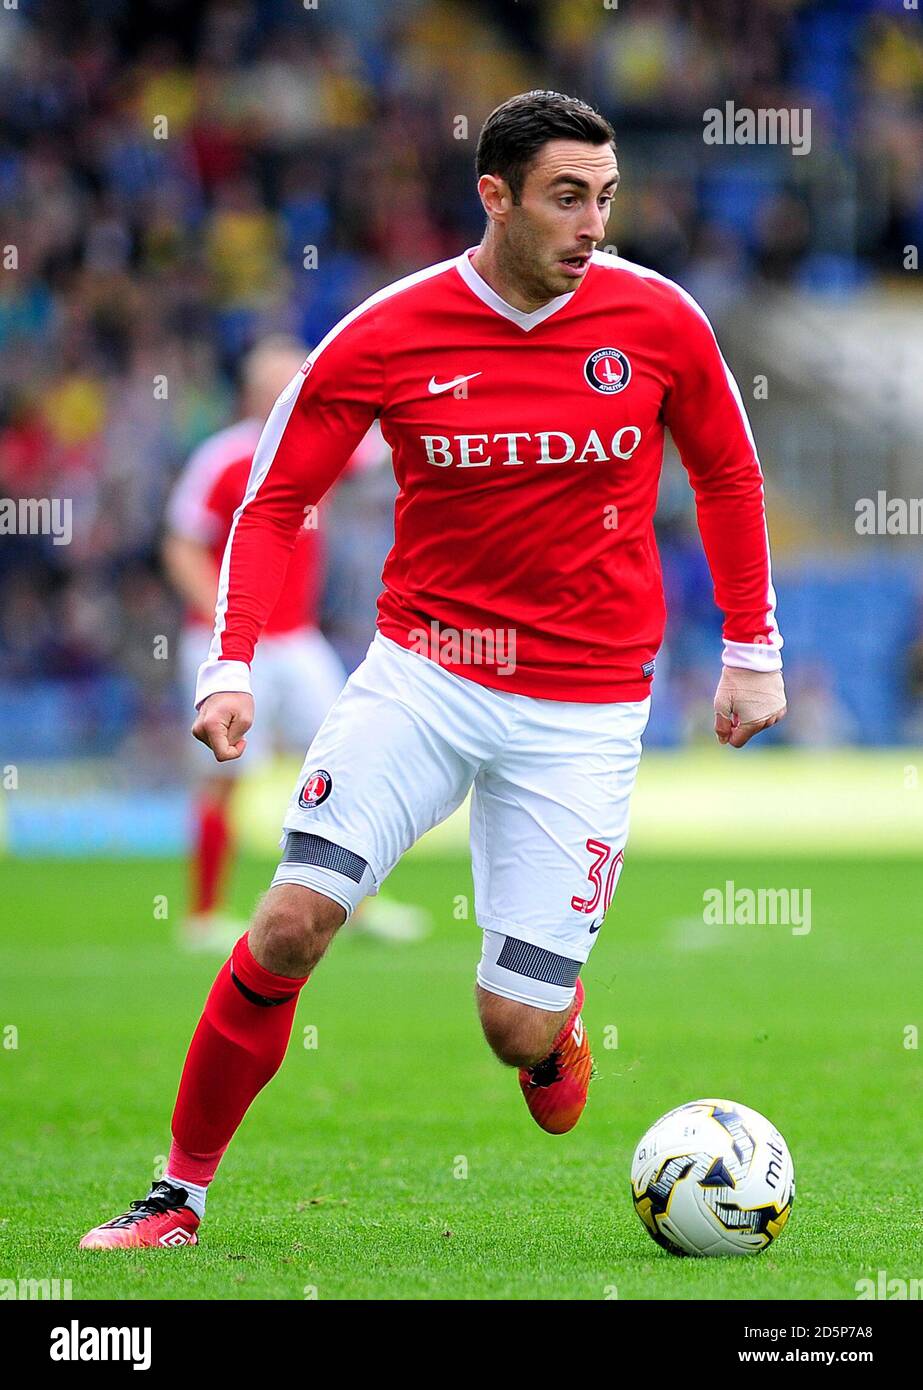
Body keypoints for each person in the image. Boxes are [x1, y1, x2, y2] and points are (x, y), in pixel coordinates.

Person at [81, 91, 785, 1249]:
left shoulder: (656, 319)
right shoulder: (384, 332)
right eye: (567, 197)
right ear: (493, 196)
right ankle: (176, 1195)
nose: (591, 223)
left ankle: (551, 1026)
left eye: (604, 198)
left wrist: (752, 650)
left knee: (513, 1027)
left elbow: (726, 474)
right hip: (424, 676)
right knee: (289, 924)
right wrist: (229, 663)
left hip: (585, 707)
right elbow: (273, 502)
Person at [163, 336, 427, 949]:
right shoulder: (222, 458)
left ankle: (355, 910)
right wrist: (225, 625)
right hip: (231, 645)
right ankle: (203, 915)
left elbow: (394, 443)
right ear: (254, 393)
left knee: (349, 766)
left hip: (300, 640)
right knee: (223, 777)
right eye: (280, 382)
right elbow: (180, 543)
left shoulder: (323, 446)